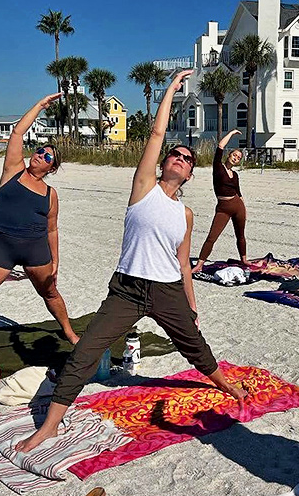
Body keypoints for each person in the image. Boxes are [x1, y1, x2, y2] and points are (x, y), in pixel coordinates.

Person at [15, 70, 247, 454]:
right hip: (127, 288)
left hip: (167, 289)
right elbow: (156, 136)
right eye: (176, 154)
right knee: (86, 351)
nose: (180, 158)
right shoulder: (144, 187)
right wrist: (171, 89)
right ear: (165, 163)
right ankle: (50, 427)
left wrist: (191, 303)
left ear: (190, 173)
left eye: (187, 159)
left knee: (195, 345)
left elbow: (182, 262)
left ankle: (222, 383)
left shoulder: (185, 214)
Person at [0, 93, 79, 361]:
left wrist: (55, 262)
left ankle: (68, 331)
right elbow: (18, 132)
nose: (40, 155)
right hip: (1, 246)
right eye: (40, 150)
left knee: (50, 293)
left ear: (52, 168)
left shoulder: (50, 193)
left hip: (34, 249)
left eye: (47, 156)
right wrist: (41, 106)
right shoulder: (13, 170)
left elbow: (52, 229)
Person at [192, 129, 248, 273]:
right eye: (234, 155)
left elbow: (239, 192)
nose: (236, 158)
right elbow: (220, 147)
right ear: (229, 155)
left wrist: (244, 207)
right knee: (212, 236)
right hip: (223, 207)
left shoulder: (235, 175)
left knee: (240, 234)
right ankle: (199, 264)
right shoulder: (218, 167)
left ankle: (244, 259)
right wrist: (232, 133)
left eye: (238, 157)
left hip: (238, 206)